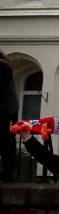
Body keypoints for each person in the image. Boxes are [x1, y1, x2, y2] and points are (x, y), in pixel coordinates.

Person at [0, 50, 17, 182]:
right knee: (7, 142)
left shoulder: (2, 66)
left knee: (6, 143)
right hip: (8, 110)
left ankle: (7, 173)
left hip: (5, 111)